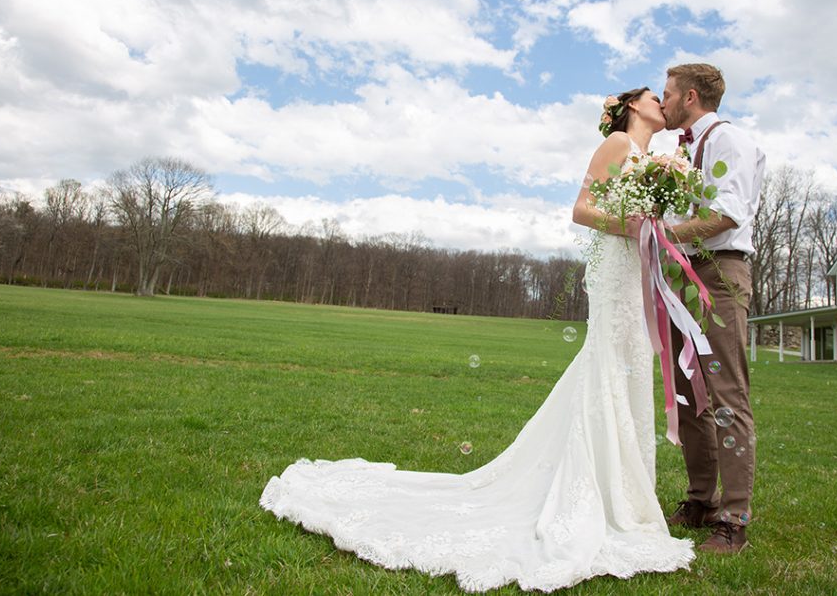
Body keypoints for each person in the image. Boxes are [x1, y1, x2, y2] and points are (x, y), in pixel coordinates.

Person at [259, 87, 696, 592]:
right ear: (631, 108)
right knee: (609, 366)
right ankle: (597, 494)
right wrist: (632, 224)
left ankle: (624, 492)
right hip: (614, 271)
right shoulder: (618, 143)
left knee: (631, 367)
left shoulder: (655, 159)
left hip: (634, 271)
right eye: (651, 96)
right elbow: (580, 209)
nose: (661, 103)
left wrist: (655, 225)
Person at [658, 63, 766, 554]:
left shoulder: (730, 142)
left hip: (719, 275)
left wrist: (659, 237)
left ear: (691, 97)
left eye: (668, 94)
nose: (663, 103)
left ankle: (735, 517)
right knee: (687, 390)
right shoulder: (679, 151)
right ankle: (701, 498)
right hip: (685, 275)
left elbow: (727, 213)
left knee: (725, 393)